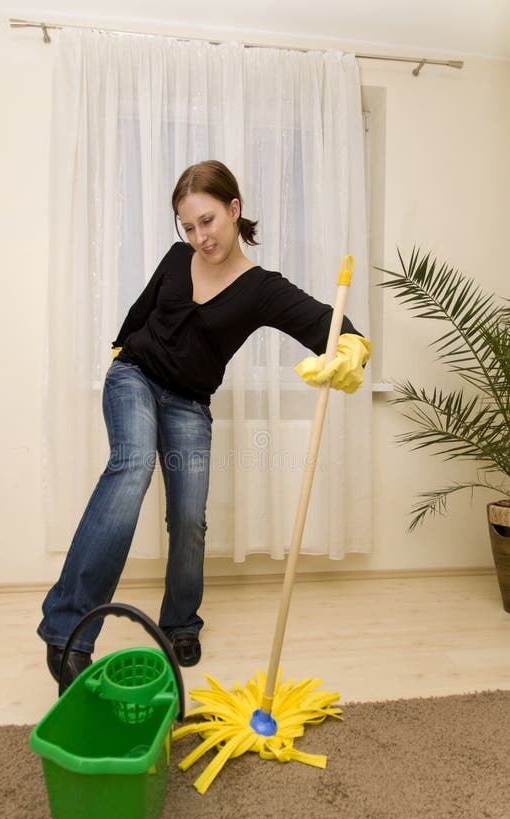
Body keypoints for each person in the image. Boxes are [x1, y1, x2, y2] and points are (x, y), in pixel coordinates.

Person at [38, 160, 370, 687]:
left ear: (234, 209)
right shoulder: (177, 259)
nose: (199, 237)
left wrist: (349, 346)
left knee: (189, 516)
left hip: (189, 403)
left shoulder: (261, 288)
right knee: (131, 467)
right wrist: (123, 354)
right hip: (134, 378)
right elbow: (140, 313)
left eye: (208, 221)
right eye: (188, 226)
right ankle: (67, 632)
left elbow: (325, 323)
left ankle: (180, 623)